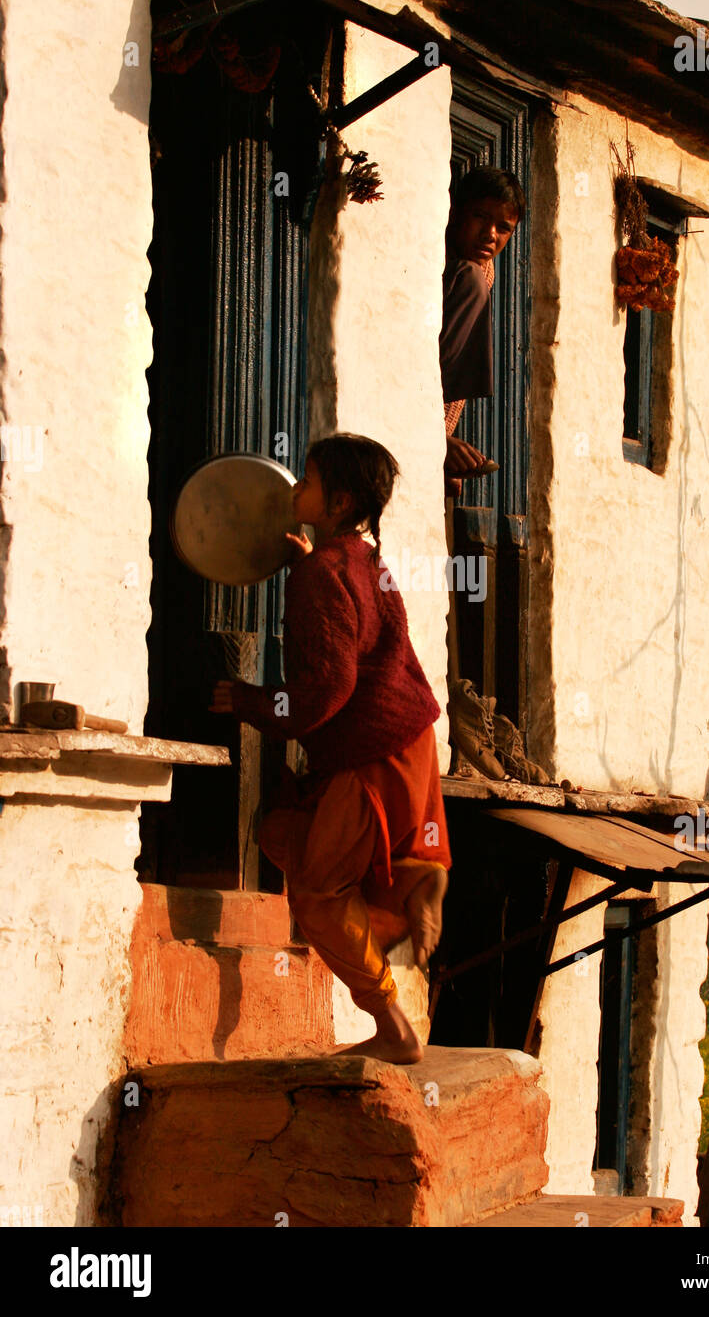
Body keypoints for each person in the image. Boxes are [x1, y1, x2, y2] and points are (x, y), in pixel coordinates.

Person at [210, 433, 450, 1065]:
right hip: (412, 742)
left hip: (370, 751)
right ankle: (419, 890)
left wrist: (252, 702)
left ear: (339, 501)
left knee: (317, 897)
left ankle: (391, 1023)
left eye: (309, 482)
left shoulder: (324, 572)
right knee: (286, 836)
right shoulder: (366, 562)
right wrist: (307, 567)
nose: (295, 490)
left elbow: (329, 686)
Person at [440, 167, 525, 494]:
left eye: (504, 228)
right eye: (480, 217)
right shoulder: (446, 261)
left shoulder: (483, 271)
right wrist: (435, 440)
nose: (491, 234)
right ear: (456, 212)